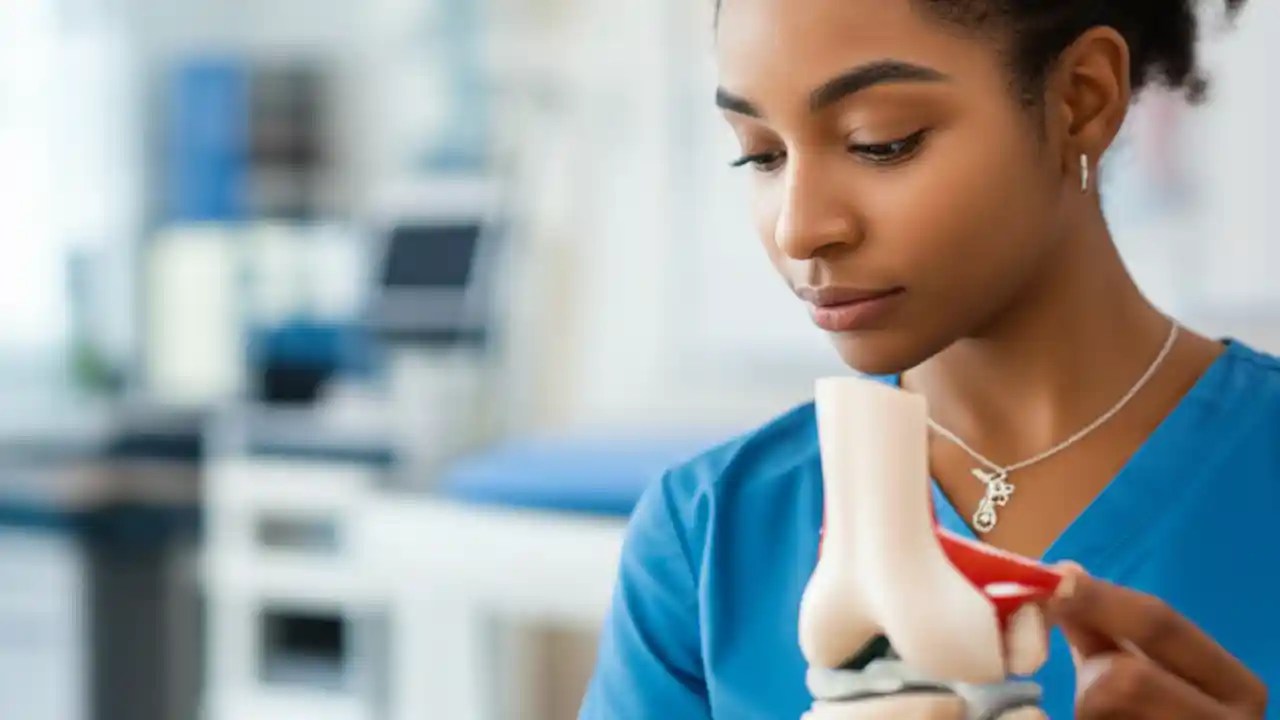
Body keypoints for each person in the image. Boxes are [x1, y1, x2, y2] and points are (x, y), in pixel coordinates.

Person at [580, 0, 1276, 718]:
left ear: (1081, 98)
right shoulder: (708, 536)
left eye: (880, 143)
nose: (799, 229)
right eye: (761, 154)